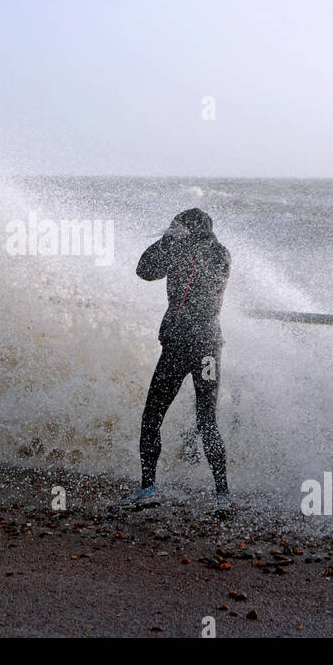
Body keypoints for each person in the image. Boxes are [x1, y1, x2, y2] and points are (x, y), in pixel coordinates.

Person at [122, 208, 231, 514]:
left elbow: (144, 270)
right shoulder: (222, 253)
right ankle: (223, 496)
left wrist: (169, 240)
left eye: (176, 224)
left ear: (186, 228)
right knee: (208, 421)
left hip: (180, 345)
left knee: (152, 416)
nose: (171, 228)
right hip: (210, 345)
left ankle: (148, 488)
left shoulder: (181, 249)